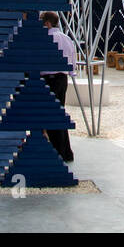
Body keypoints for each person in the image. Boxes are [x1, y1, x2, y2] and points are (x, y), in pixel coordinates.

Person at [40, 11, 77, 163]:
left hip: (49, 79)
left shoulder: (45, 38)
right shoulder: (66, 38)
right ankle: (66, 152)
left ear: (47, 23)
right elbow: (72, 59)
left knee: (50, 115)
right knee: (59, 113)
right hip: (62, 79)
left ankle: (58, 152)